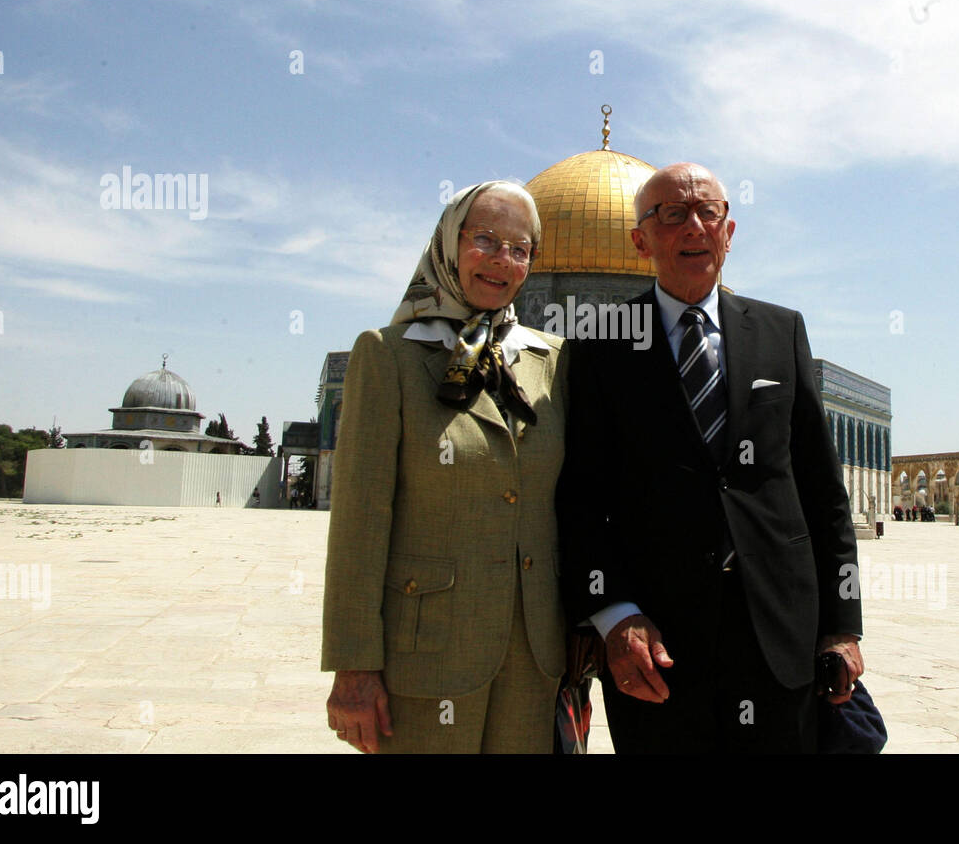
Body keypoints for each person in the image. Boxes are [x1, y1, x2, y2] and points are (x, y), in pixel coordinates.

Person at [557, 162, 864, 753]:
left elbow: (823, 493)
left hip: (781, 639)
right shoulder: (601, 346)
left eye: (708, 213)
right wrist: (614, 615)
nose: (694, 226)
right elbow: (581, 501)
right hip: (656, 649)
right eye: (672, 215)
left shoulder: (781, 331)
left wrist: (842, 626)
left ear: (729, 231)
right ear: (641, 241)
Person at [322, 181, 567, 753]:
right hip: (425, 655)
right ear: (447, 244)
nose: (502, 261)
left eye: (521, 248)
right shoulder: (391, 356)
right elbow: (360, 521)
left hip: (533, 657)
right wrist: (354, 667)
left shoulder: (550, 362)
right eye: (485, 239)